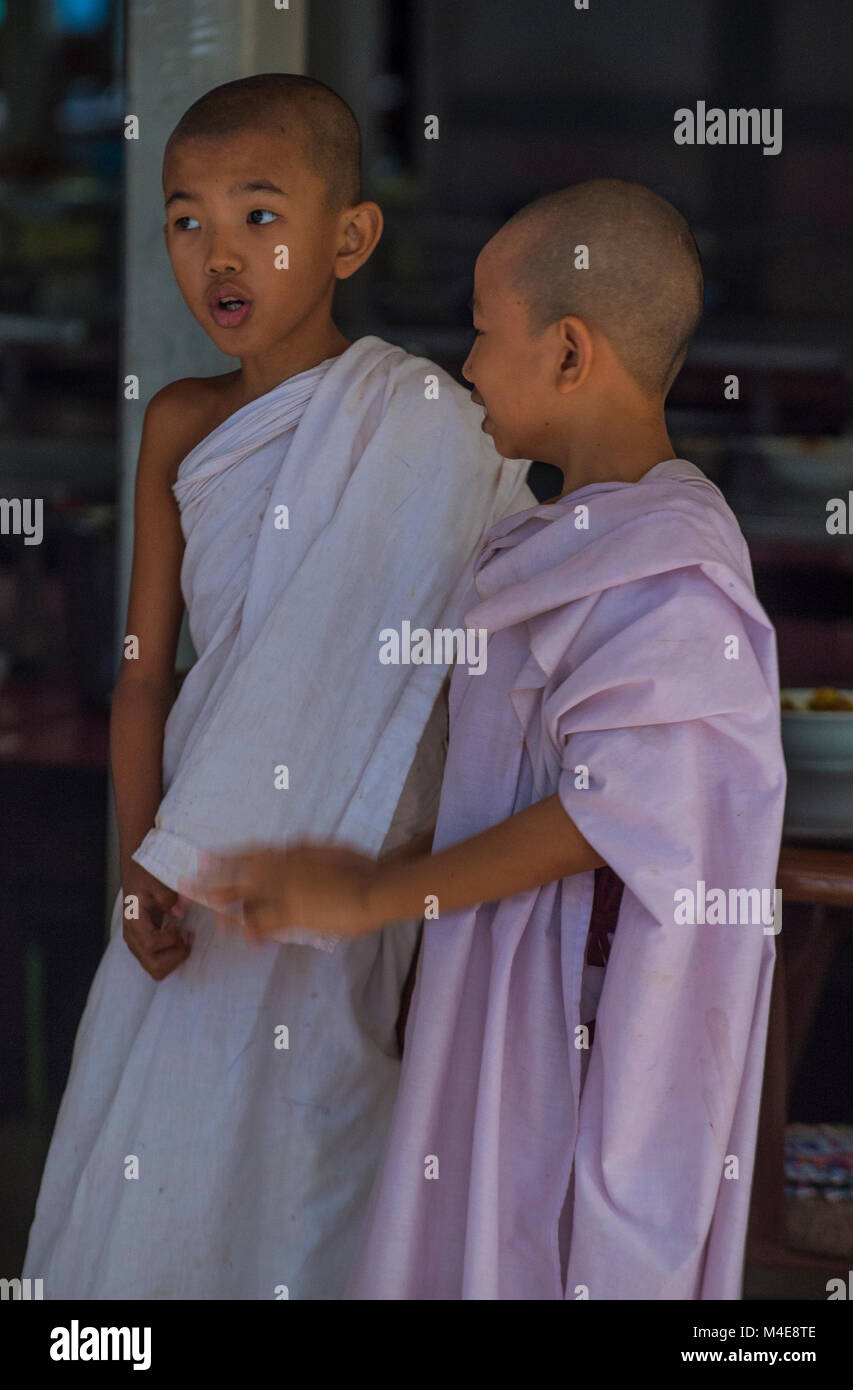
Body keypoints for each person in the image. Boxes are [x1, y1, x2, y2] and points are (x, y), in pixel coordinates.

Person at [188, 179, 787, 1300]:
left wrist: (377, 893)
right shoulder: (553, 537)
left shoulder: (674, 572)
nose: (462, 363)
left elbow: (615, 811)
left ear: (567, 353)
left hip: (597, 1037)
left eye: (479, 327)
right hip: (507, 1004)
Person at [22, 73, 533, 1301]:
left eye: (260, 214)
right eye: (185, 219)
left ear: (348, 237)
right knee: (158, 1160)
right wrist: (143, 860)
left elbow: (446, 680)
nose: (218, 254)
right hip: (186, 869)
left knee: (315, 1169)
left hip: (346, 872)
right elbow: (145, 680)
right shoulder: (182, 425)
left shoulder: (420, 419)